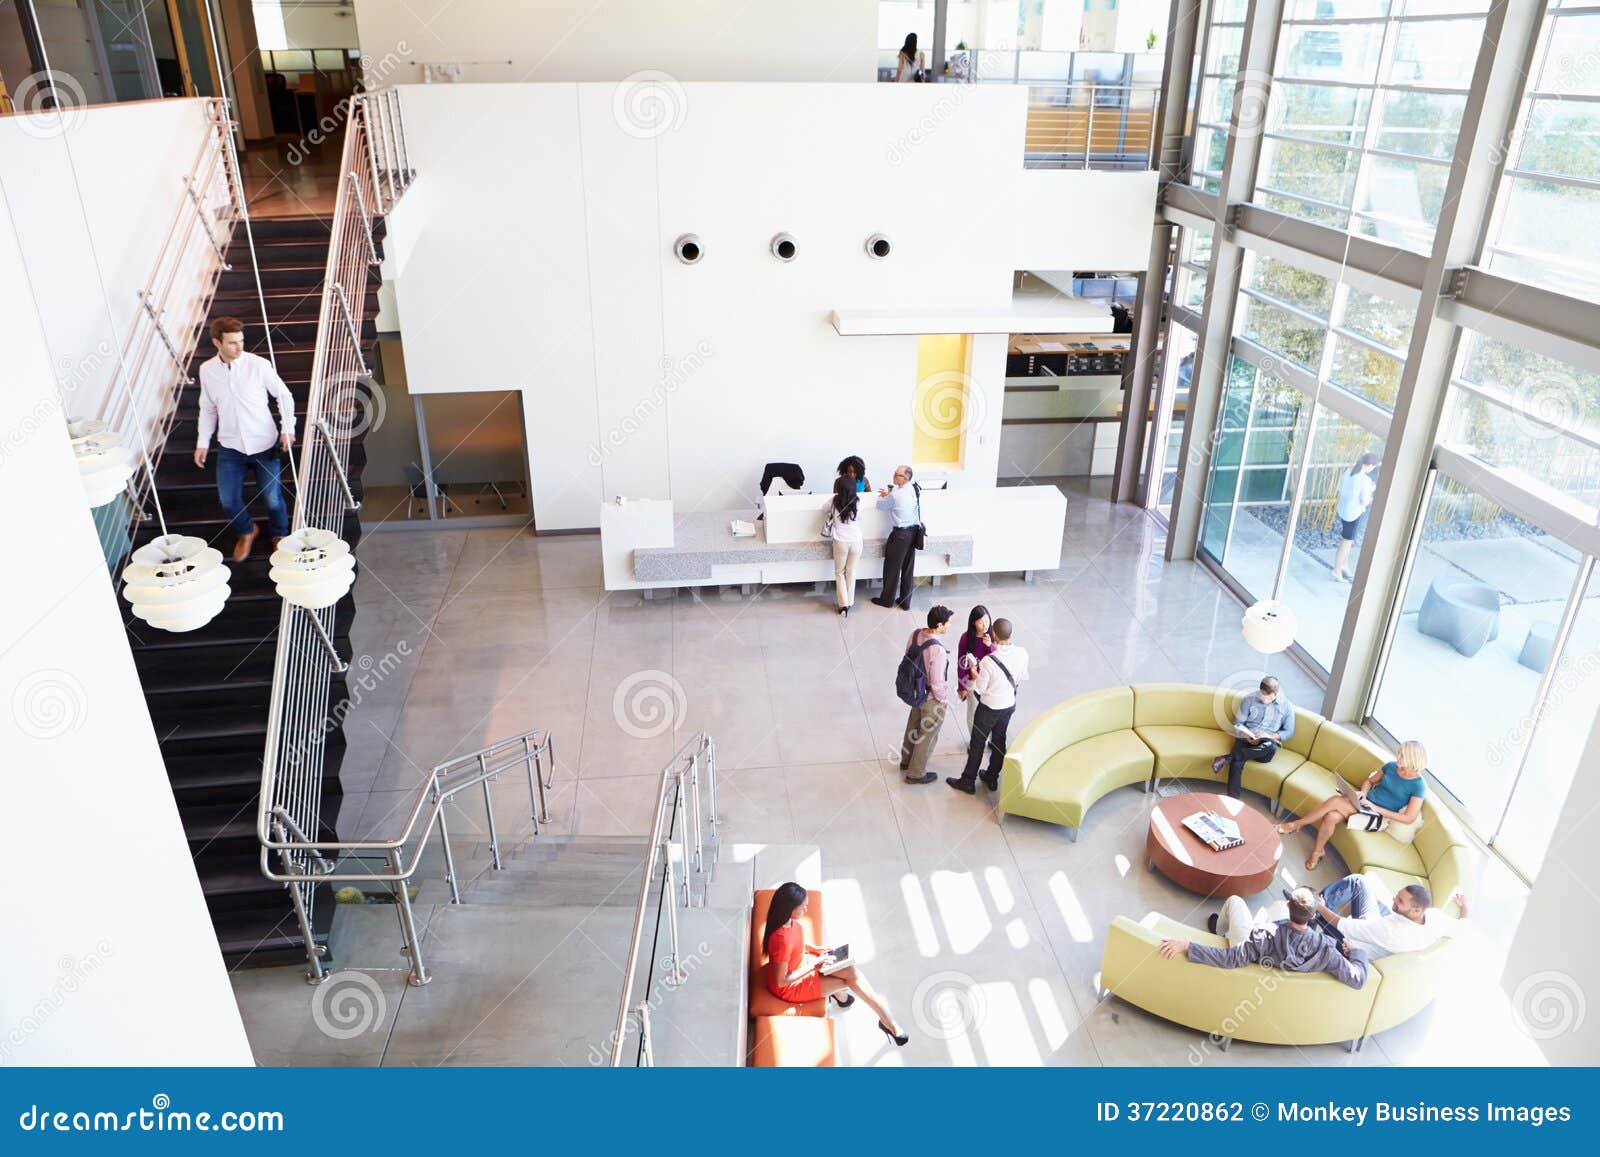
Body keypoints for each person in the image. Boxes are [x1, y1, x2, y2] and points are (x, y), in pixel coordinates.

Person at [194, 316, 295, 561]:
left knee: (272, 498)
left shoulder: (258, 365)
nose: (239, 347)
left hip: (264, 443)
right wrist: (202, 442)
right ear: (217, 343)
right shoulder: (206, 370)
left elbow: (284, 396)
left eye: (241, 341)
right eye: (232, 343)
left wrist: (287, 428)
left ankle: (280, 534)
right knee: (228, 500)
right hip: (230, 447)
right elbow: (207, 408)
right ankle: (248, 531)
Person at [763, 882, 908, 1045]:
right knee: (849, 981)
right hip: (790, 987)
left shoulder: (788, 921)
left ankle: (884, 1019)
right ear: (789, 908)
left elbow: (794, 943)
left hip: (802, 963)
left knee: (852, 973)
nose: (806, 909)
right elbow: (781, 981)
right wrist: (815, 965)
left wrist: (816, 949)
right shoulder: (780, 939)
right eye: (803, 907)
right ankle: (885, 1021)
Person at [1158, 886, 1370, 989]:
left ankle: (1221, 931)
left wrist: (1187, 945)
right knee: (1272, 909)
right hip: (1280, 956)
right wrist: (1357, 952)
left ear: (1290, 906)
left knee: (1234, 901)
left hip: (1259, 947)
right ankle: (1229, 930)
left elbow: (1230, 959)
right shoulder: (1325, 950)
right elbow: (1358, 979)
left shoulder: (1264, 935)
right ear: (1314, 916)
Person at [1277, 740, 1428, 871]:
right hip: (1364, 804)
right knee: (1331, 817)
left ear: (1413, 759)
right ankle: (1318, 852)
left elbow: (1408, 818)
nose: (1398, 756)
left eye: (1402, 755)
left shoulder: (1418, 786)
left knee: (1336, 801)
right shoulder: (1391, 766)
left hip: (1377, 817)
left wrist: (1376, 808)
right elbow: (1370, 781)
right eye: (1399, 752)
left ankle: (1296, 824)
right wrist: (1363, 793)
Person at [947, 617, 1029, 796]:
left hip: (988, 708)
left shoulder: (988, 661)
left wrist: (975, 671)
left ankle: (968, 781)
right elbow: (1022, 676)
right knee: (999, 741)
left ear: (994, 635)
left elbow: (980, 688)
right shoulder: (1022, 653)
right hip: (1008, 706)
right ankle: (992, 776)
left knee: (977, 743)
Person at [1314, 874, 1468, 960]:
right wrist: (1464, 906)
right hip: (1376, 926)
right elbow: (1463, 927)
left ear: (1415, 910)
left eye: (1400, 901)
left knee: (1323, 910)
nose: (1394, 900)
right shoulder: (1435, 918)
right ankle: (1314, 907)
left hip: (1354, 945)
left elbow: (1342, 925)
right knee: (1359, 882)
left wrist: (1320, 906)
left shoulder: (1391, 931)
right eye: (1397, 896)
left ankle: (1309, 906)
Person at [1209, 674, 1295, 799]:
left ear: (1276, 693)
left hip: (1265, 747)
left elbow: (1289, 731)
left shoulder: (1286, 706)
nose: (1263, 699)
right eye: (1262, 695)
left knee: (1270, 747)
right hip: (1246, 738)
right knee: (1237, 763)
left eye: (1267, 697)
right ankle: (1233, 799)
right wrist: (1246, 735)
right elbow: (1238, 723)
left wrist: (1268, 735)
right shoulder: (1249, 699)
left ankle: (1227, 757)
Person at [899, 604, 953, 784]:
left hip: (915, 693)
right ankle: (916, 773)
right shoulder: (937, 650)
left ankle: (906, 761)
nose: (949, 626)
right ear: (939, 625)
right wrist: (943, 700)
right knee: (926, 735)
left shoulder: (915, 634)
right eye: (947, 623)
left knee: (912, 727)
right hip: (930, 698)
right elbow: (937, 682)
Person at [871, 464, 920, 610]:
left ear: (904, 478)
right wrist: (890, 495)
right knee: (907, 569)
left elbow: (880, 506)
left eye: (896, 474)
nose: (893, 475)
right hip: (913, 533)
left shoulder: (896, 494)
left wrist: (885, 496)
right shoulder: (912, 488)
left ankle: (887, 600)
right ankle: (905, 602)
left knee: (892, 569)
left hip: (900, 535)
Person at [1332, 452, 1379, 582]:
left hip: (1343, 510)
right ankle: (1337, 571)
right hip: (1353, 514)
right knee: (1346, 542)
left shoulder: (1348, 472)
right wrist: (1371, 492)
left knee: (1347, 541)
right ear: (1369, 465)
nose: (1373, 470)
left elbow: (1340, 489)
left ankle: (1344, 566)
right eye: (1373, 467)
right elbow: (1364, 501)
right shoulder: (1365, 480)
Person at [826, 476, 863, 617]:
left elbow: (822, 509)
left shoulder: (834, 501)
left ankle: (843, 605)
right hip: (856, 541)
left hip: (840, 542)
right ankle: (850, 601)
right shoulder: (858, 501)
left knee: (839, 572)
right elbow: (859, 518)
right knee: (851, 571)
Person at [956, 604, 994, 738]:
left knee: (989, 712)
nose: (985, 625)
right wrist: (962, 686)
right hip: (972, 681)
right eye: (981, 622)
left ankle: (988, 739)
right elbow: (961, 662)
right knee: (972, 712)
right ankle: (975, 741)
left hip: (989, 681)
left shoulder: (992, 637)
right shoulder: (965, 638)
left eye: (987, 621)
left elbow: (997, 660)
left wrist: (989, 647)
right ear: (973, 623)